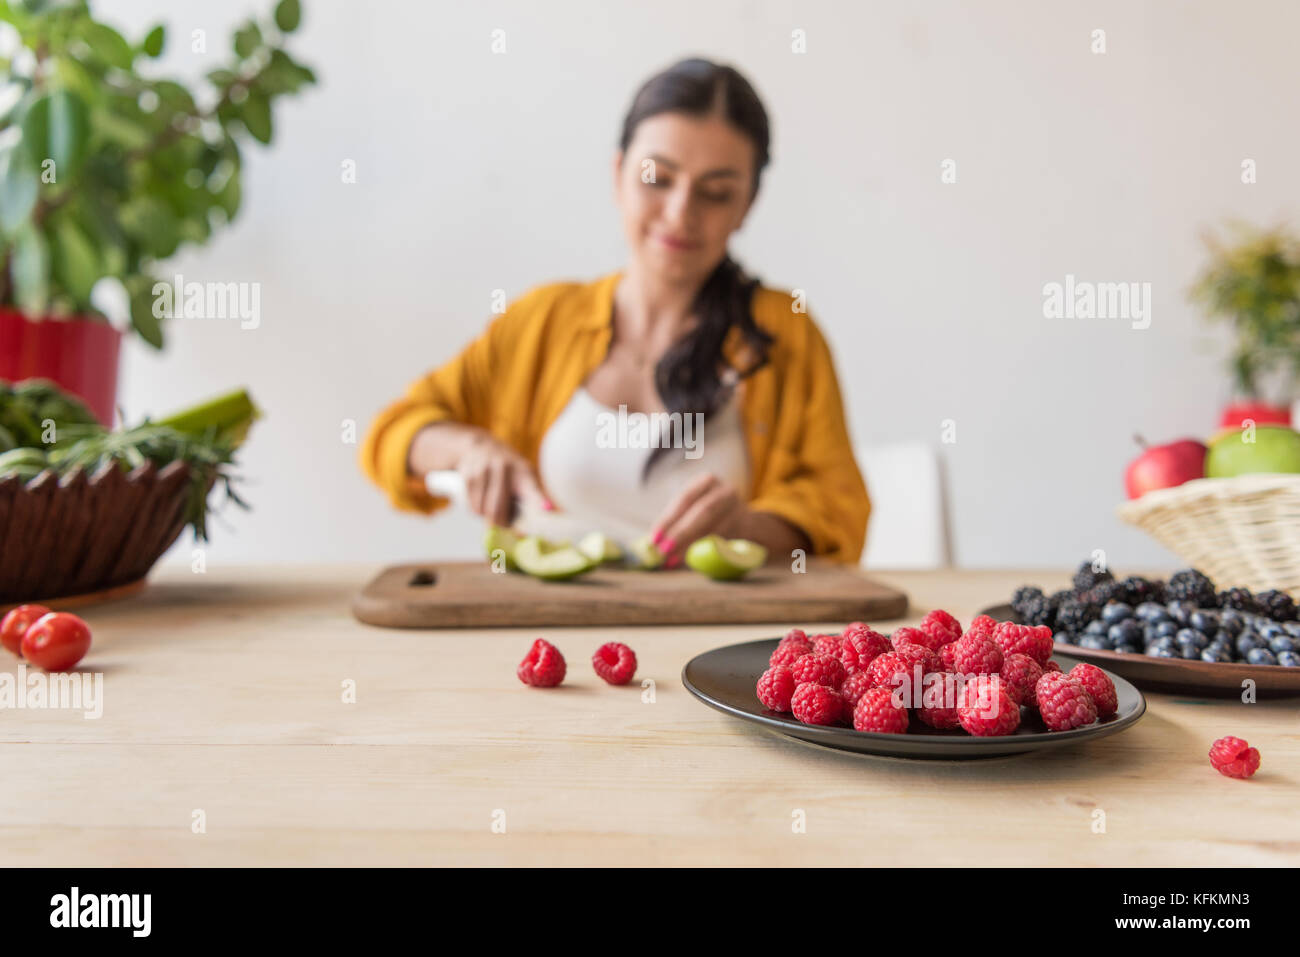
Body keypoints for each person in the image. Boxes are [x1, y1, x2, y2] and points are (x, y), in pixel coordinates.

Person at [361, 57, 869, 566]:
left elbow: (841, 512)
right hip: (549, 632)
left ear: (747, 206)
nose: (680, 214)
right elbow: (393, 434)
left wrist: (746, 527)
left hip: (723, 637)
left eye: (716, 193)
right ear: (617, 174)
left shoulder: (786, 334)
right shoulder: (543, 320)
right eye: (657, 179)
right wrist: (467, 450)